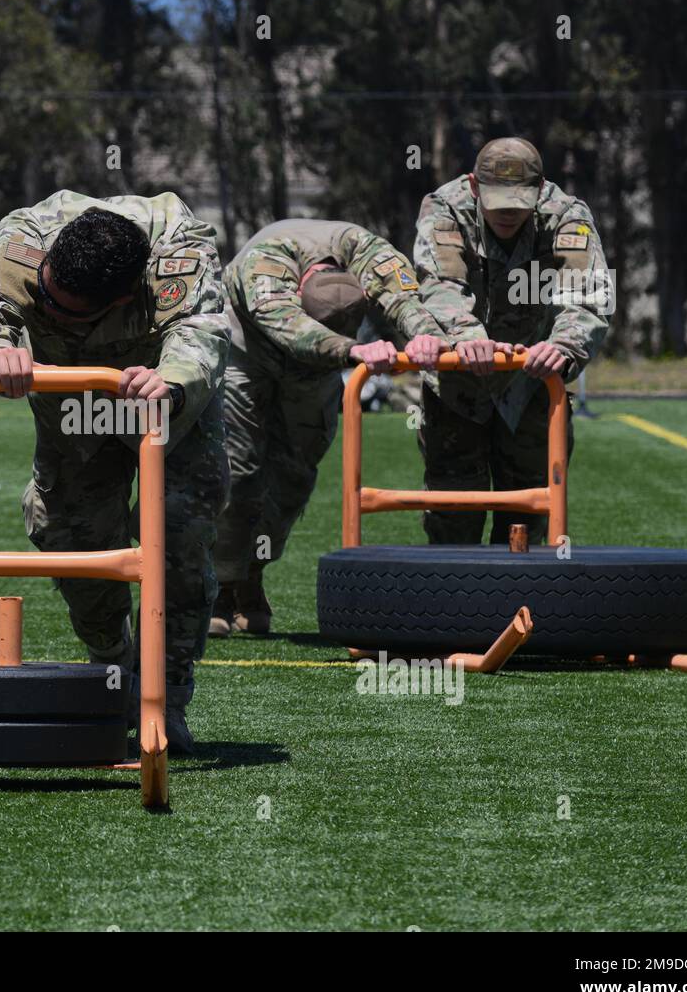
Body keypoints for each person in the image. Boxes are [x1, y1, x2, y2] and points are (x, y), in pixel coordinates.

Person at [0, 191, 229, 754]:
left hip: (164, 400)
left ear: (127, 296)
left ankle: (167, 698)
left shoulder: (179, 249)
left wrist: (172, 382)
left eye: (72, 313)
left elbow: (202, 331)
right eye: (48, 300)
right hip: (71, 399)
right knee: (69, 533)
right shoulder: (26, 236)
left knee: (182, 533)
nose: (54, 313)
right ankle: (113, 664)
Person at [212, 219, 450, 636]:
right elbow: (286, 325)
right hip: (246, 352)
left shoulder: (365, 250)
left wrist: (426, 336)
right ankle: (221, 585)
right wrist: (353, 349)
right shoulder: (266, 263)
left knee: (293, 478)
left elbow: (403, 298)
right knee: (240, 472)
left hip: (319, 365)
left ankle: (252, 572)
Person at [413, 137, 611, 544]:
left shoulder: (566, 215)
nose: (507, 211)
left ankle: (517, 588)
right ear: (474, 186)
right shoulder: (446, 207)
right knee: (453, 516)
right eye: (497, 199)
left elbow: (587, 296)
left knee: (528, 518)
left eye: (519, 200)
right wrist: (466, 336)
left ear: (540, 189)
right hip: (458, 384)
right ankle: (455, 587)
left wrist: (564, 345)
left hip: (531, 383)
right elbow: (439, 284)